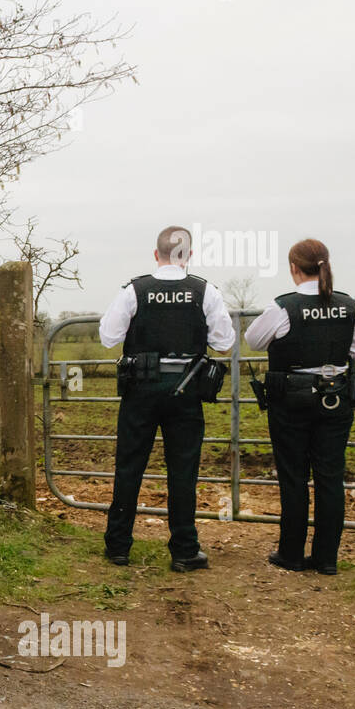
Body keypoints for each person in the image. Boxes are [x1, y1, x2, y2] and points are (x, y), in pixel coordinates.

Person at [98, 225, 235, 571]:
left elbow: (108, 336)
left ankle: (118, 546)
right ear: (189, 256)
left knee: (129, 466)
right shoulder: (205, 291)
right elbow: (223, 342)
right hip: (186, 390)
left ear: (156, 255)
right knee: (183, 470)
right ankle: (185, 550)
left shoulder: (135, 290)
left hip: (140, 389)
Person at [244, 239, 355, 575]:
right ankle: (327, 558)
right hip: (336, 399)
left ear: (294, 269)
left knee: (293, 476)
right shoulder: (353, 307)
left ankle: (291, 554)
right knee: (330, 478)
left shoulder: (282, 308)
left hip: (291, 401)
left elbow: (252, 341)